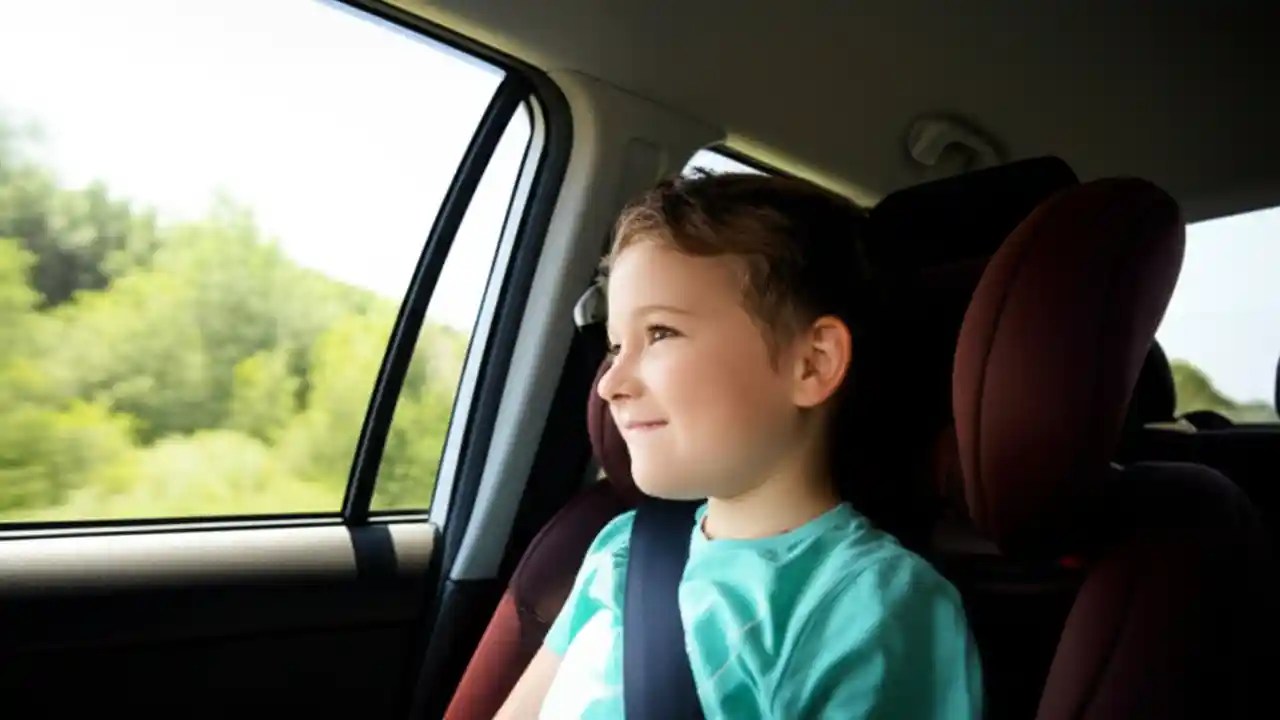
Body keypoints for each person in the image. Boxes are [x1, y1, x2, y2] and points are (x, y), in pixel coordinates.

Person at [496, 171, 983, 719]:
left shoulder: (875, 604)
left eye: (660, 333)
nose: (609, 383)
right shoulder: (623, 549)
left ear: (812, 363)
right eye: (614, 344)